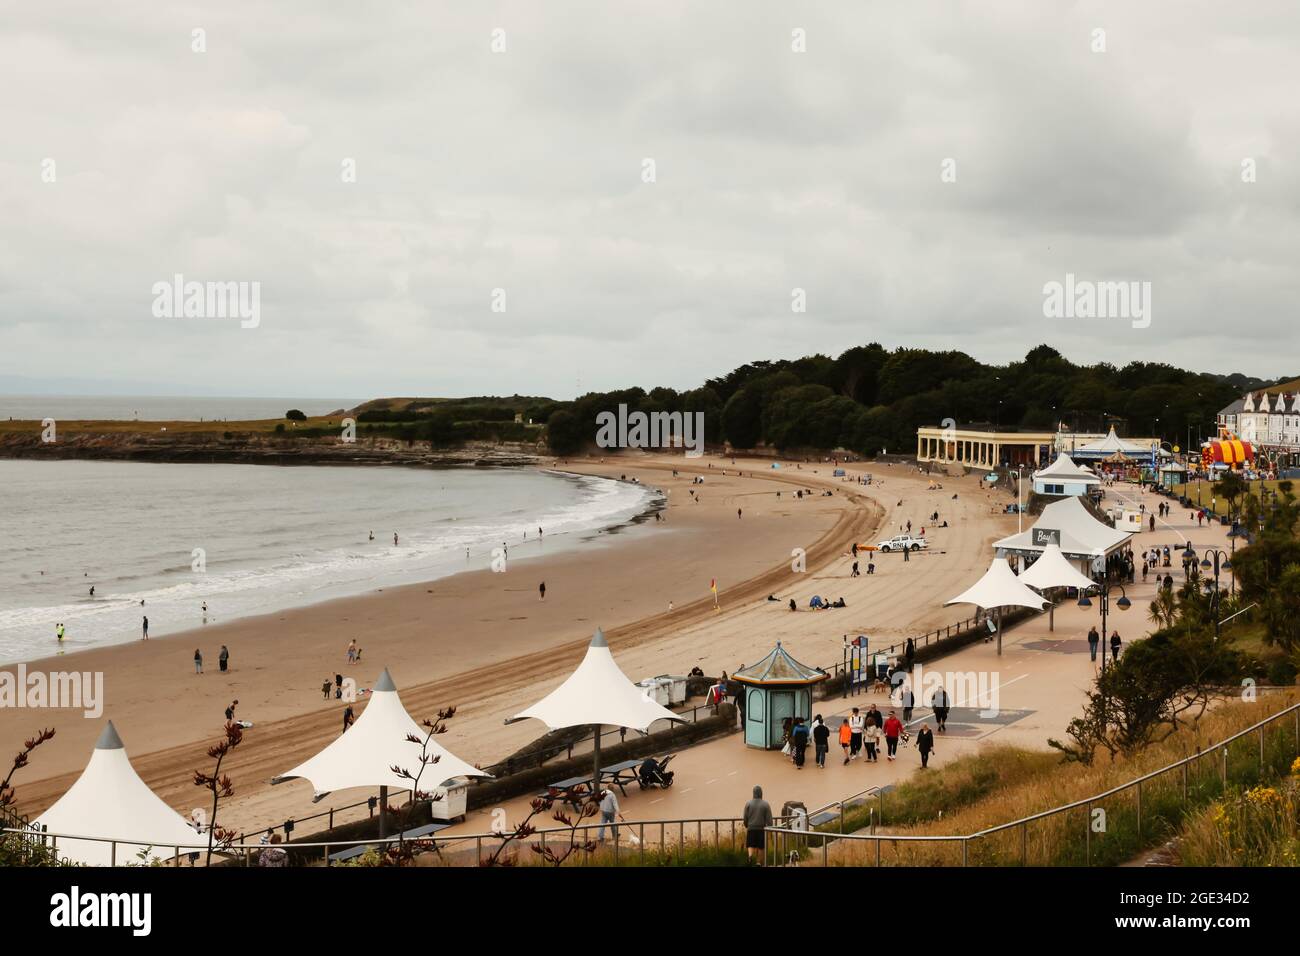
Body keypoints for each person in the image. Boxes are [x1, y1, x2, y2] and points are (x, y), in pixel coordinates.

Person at [742, 785, 773, 863]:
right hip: (761, 829)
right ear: (761, 793)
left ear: (753, 793)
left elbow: (745, 817)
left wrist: (746, 824)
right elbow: (769, 819)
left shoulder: (748, 803)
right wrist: (770, 828)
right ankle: (758, 862)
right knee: (761, 847)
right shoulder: (765, 804)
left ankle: (750, 856)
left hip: (751, 828)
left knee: (750, 845)